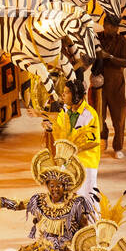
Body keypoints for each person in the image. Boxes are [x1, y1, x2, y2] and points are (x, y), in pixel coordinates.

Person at [45, 75, 101, 204]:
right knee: (67, 198)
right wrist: (51, 128)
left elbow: (94, 141)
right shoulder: (65, 111)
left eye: (66, 92)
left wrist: (76, 150)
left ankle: (94, 217)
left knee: (88, 198)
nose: (63, 95)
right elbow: (60, 132)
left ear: (76, 95)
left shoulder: (89, 114)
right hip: (68, 162)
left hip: (86, 163)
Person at [97, 14, 126, 160]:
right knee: (98, 115)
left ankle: (118, 147)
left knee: (119, 117)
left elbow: (125, 62)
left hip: (116, 83)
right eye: (112, 26)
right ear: (105, 25)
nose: (115, 29)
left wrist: (109, 57)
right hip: (99, 83)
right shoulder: (96, 38)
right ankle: (102, 138)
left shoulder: (122, 41)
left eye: (117, 27)